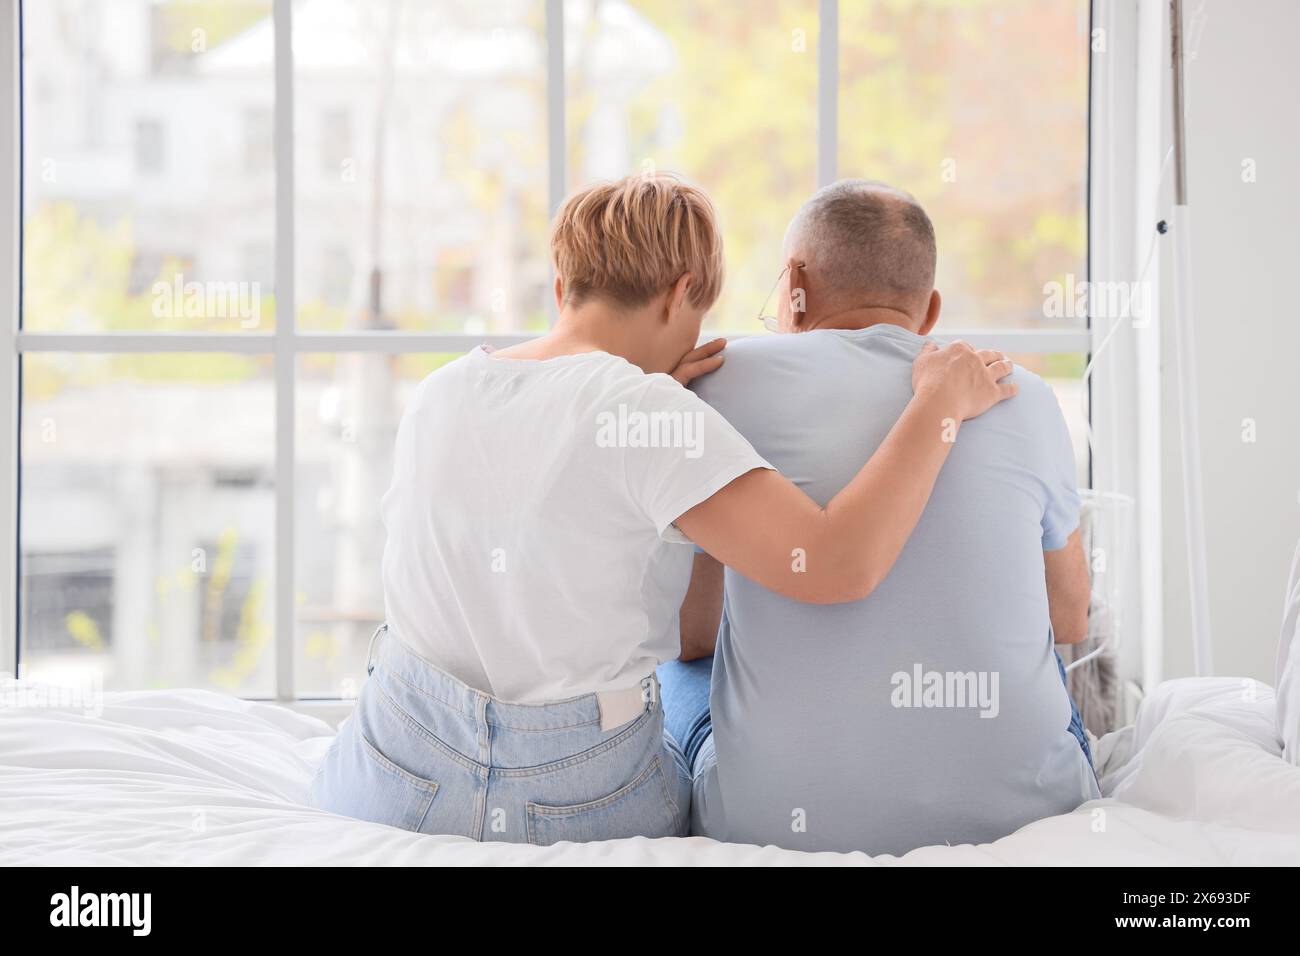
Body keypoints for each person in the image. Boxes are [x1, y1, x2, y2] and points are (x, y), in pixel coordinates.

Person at [308, 173, 1015, 845]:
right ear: (682, 294)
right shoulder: (652, 411)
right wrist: (939, 406)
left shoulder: (444, 390)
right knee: (693, 684)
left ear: (563, 286)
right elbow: (834, 565)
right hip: (575, 798)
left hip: (394, 767)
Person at [670, 179, 1099, 854]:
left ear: (793, 284)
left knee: (679, 674)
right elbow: (1070, 618)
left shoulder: (717, 381)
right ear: (929, 310)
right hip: (1025, 816)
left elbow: (690, 634)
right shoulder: (1023, 394)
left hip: (775, 823)